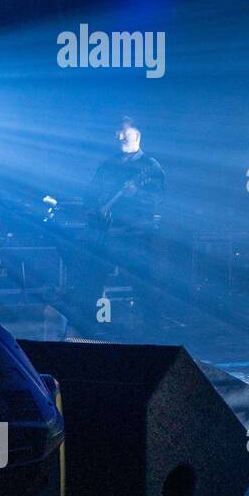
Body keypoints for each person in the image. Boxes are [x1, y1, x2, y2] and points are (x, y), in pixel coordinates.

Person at [83, 117, 165, 334]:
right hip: (105, 231)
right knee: (94, 277)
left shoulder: (150, 167)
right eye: (117, 132)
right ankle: (91, 327)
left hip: (134, 232)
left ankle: (150, 330)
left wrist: (136, 194)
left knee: (141, 280)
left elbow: (157, 199)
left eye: (123, 132)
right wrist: (94, 208)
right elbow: (90, 193)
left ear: (137, 134)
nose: (118, 136)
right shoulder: (108, 164)